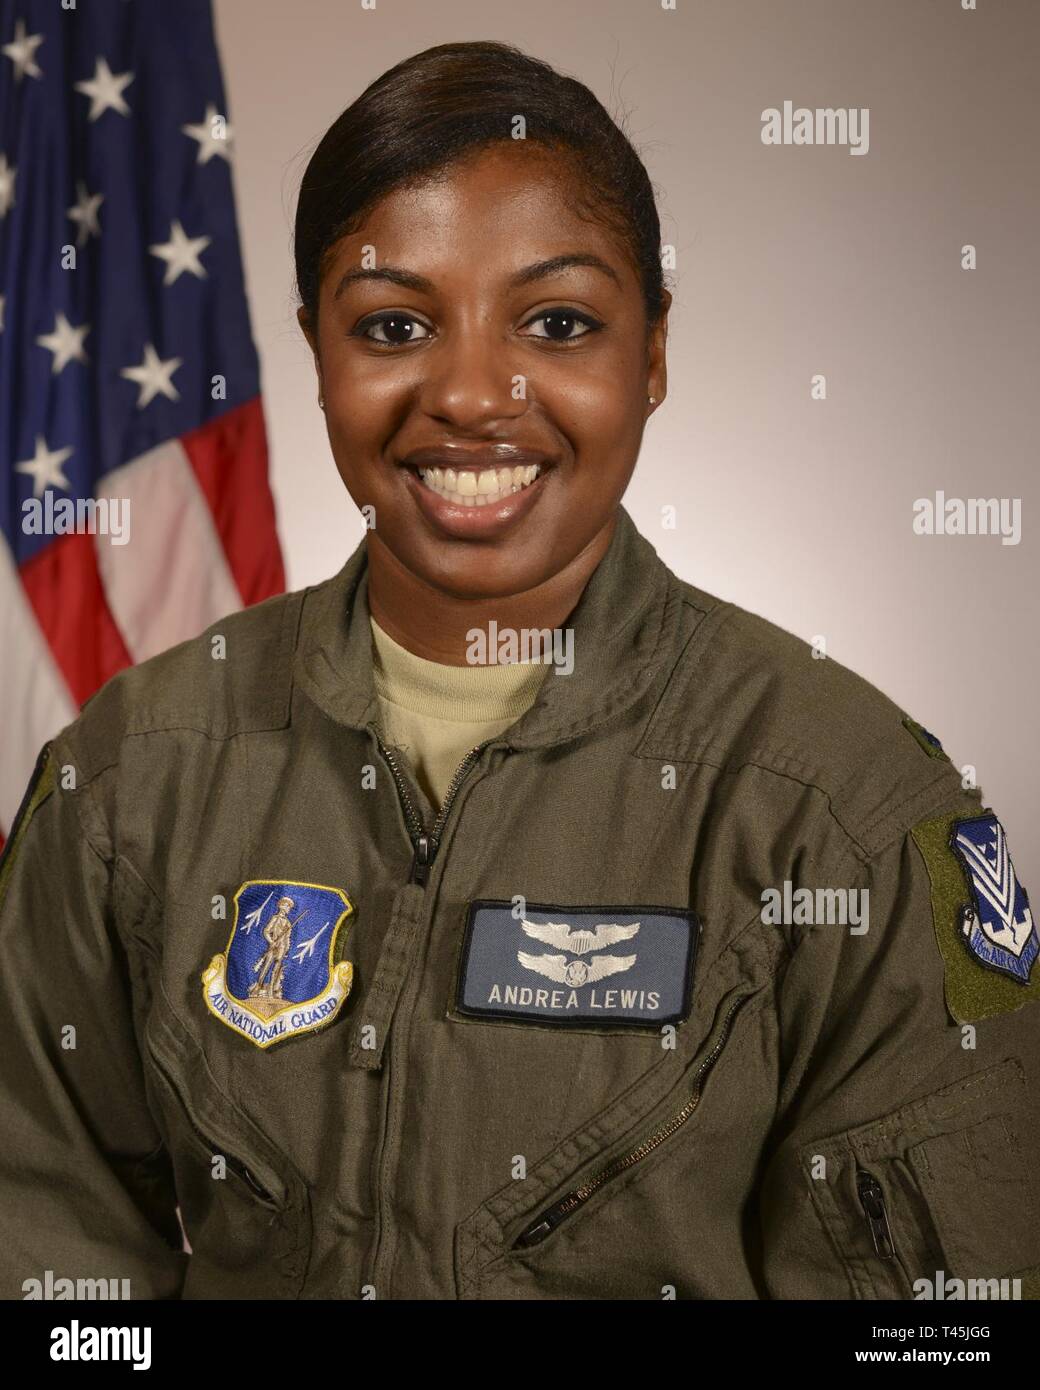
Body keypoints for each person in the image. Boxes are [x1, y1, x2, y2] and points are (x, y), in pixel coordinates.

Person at [1, 40, 1037, 1302]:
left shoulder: (841, 813)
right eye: (393, 325)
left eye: (557, 322)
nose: (472, 393)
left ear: (650, 355)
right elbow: (57, 1297)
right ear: (317, 357)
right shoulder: (127, 777)